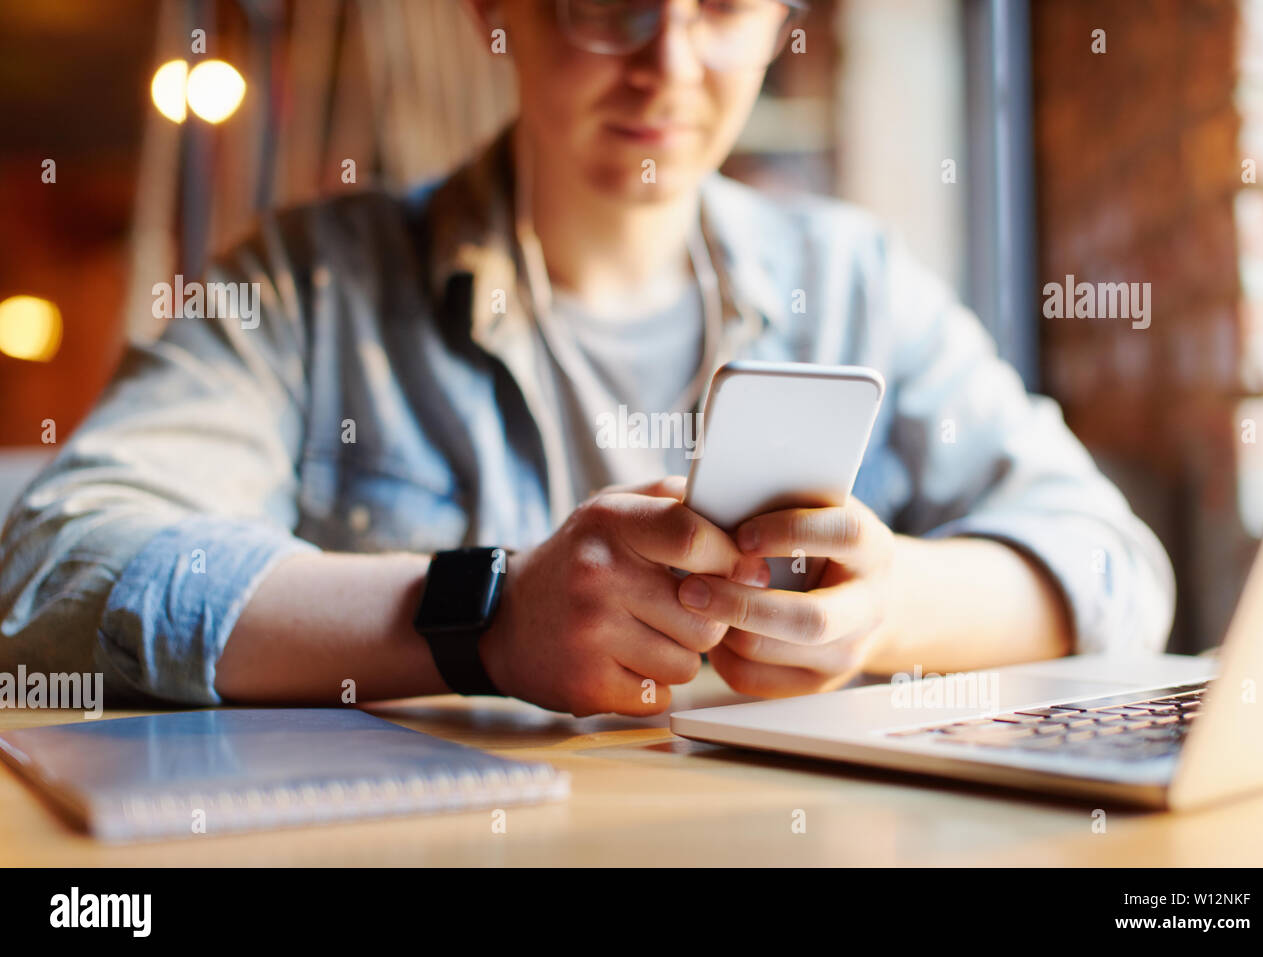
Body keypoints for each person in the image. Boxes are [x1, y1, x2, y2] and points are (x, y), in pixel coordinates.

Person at [0, 0, 1173, 716]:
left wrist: (895, 608)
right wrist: (483, 619)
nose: (666, 60)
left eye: (721, 3)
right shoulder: (309, 287)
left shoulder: (857, 278)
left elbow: (1118, 567)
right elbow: (53, 576)